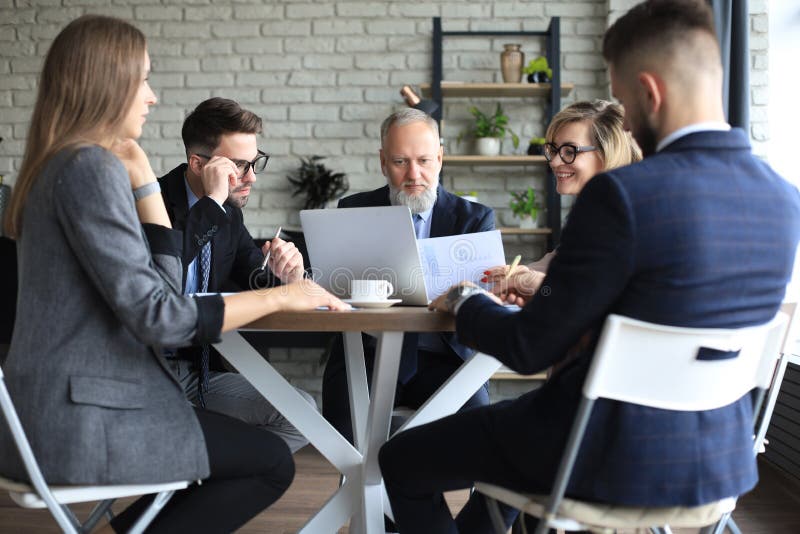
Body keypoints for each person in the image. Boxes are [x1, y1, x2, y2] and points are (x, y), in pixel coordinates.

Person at [378, 1, 800, 532]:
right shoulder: (785, 199)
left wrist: (465, 301)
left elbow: (530, 347)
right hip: (719, 465)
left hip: (602, 452)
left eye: (622, 98)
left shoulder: (619, 196)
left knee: (402, 458)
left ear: (649, 91)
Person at [0, 15, 347, 534]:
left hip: (52, 415)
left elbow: (159, 288)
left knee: (264, 447)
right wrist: (283, 298)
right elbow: (161, 316)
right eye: (143, 79)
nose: (152, 96)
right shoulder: (87, 171)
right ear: (107, 84)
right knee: (271, 462)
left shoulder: (62, 166)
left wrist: (140, 178)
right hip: (84, 421)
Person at [322, 108, 495, 443]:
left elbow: (481, 301)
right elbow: (337, 289)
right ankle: (382, 493)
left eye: (424, 160)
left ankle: (416, 494)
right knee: (344, 435)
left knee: (474, 436)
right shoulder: (353, 211)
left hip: (446, 359)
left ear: (440, 158)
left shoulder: (474, 220)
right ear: (383, 162)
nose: (414, 174)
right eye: (401, 161)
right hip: (368, 357)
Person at [159, 97, 314, 453]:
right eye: (239, 165)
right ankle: (204, 477)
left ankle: (209, 481)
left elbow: (253, 277)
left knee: (300, 412)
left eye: (255, 162)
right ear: (198, 164)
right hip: (144, 372)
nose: (252, 177)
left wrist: (286, 273)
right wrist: (212, 203)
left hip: (196, 373)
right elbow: (170, 266)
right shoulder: (152, 203)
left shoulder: (230, 217)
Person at [484, 100, 641, 304]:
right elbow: (555, 267)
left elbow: (595, 299)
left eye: (569, 151)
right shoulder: (591, 216)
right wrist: (519, 276)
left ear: (608, 153)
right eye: (553, 150)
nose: (555, 162)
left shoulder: (625, 221)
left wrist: (538, 284)